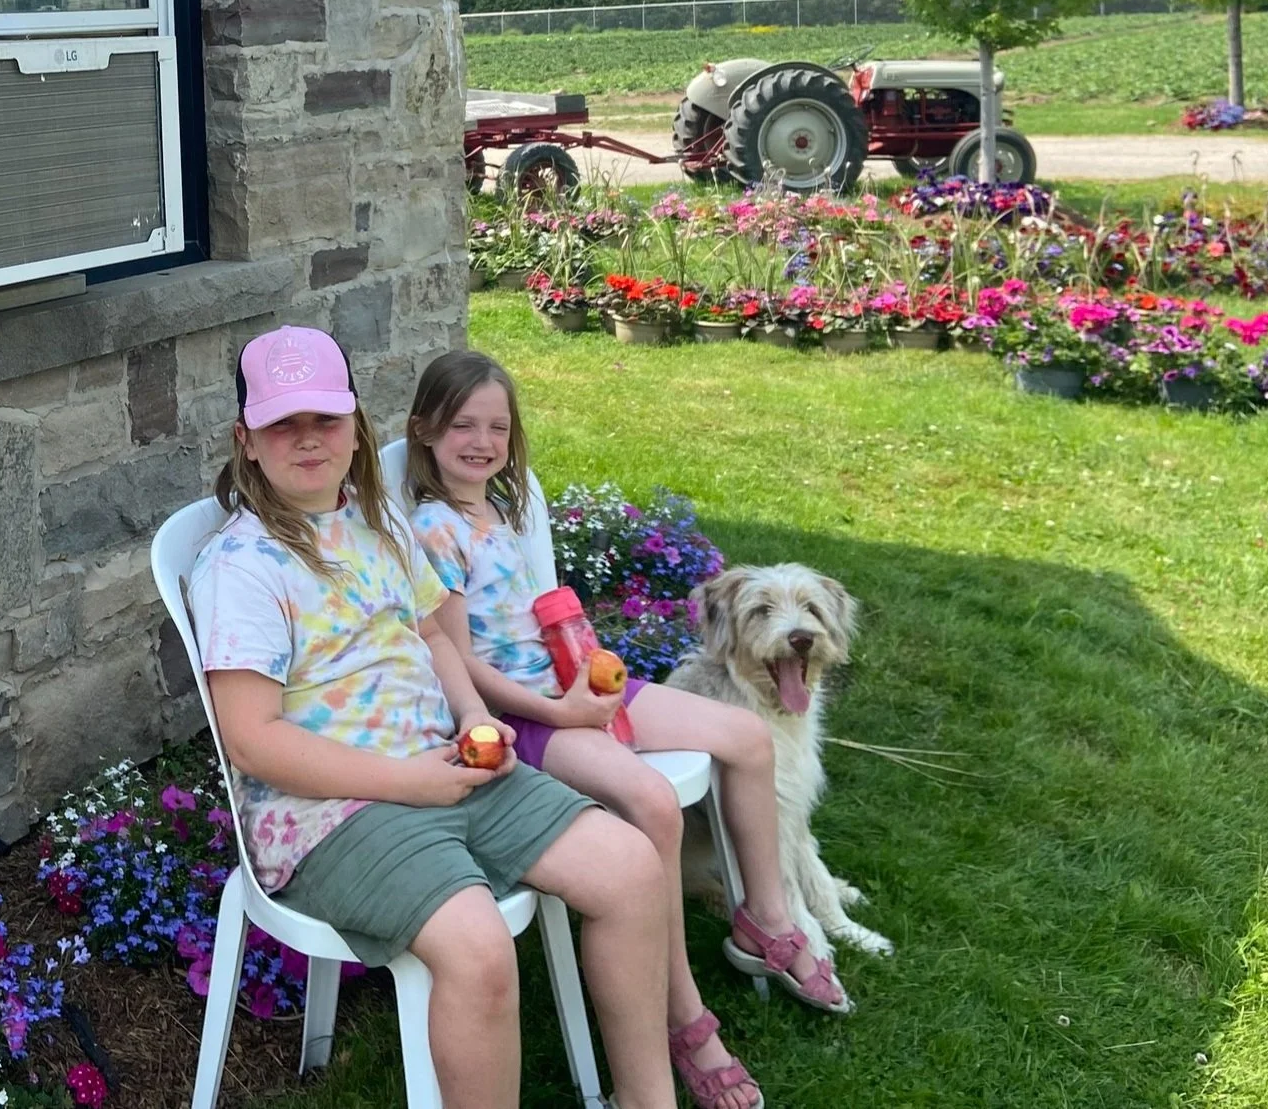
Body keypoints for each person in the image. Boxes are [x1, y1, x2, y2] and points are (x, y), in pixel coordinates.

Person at [189, 326, 679, 1109]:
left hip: (443, 765)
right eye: (282, 423)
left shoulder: (376, 526)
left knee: (629, 867)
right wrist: (408, 783)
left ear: (356, 427)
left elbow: (427, 633)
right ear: (245, 440)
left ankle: (646, 1100)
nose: (307, 438)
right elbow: (253, 740)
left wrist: (476, 719)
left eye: (325, 417)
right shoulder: (240, 567)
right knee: (479, 948)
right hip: (330, 812)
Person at [403, 350, 856, 1109]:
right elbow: (457, 659)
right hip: (523, 712)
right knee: (649, 801)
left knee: (742, 740)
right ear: (423, 431)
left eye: (497, 426)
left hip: (569, 681)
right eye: (462, 426)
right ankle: (684, 1017)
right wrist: (559, 710)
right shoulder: (433, 530)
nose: (480, 441)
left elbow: (536, 614)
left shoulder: (501, 510)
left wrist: (586, 664)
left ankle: (761, 920)